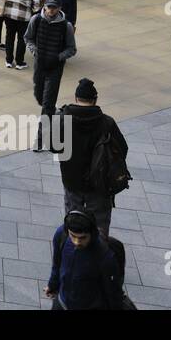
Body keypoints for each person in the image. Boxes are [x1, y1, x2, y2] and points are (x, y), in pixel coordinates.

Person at [57, 79, 127, 238]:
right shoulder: (107, 123)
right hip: (100, 184)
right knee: (100, 223)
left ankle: (74, 249)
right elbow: (122, 149)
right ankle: (98, 254)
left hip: (72, 181)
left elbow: (52, 145)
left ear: (76, 98)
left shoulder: (63, 119)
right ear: (95, 100)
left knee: (74, 222)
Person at [44, 209, 124, 310]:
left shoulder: (105, 257)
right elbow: (57, 263)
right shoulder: (61, 235)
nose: (77, 242)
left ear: (92, 234)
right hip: (61, 303)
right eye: (73, 236)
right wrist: (52, 285)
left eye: (82, 238)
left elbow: (112, 292)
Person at [25, 0, 77, 150]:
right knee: (40, 97)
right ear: (44, 7)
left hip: (55, 69)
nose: (51, 10)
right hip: (39, 66)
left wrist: (58, 57)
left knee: (46, 104)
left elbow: (72, 49)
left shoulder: (66, 26)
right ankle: (55, 112)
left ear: (59, 8)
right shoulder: (36, 20)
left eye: (54, 7)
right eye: (49, 7)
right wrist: (34, 51)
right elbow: (28, 38)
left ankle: (40, 140)